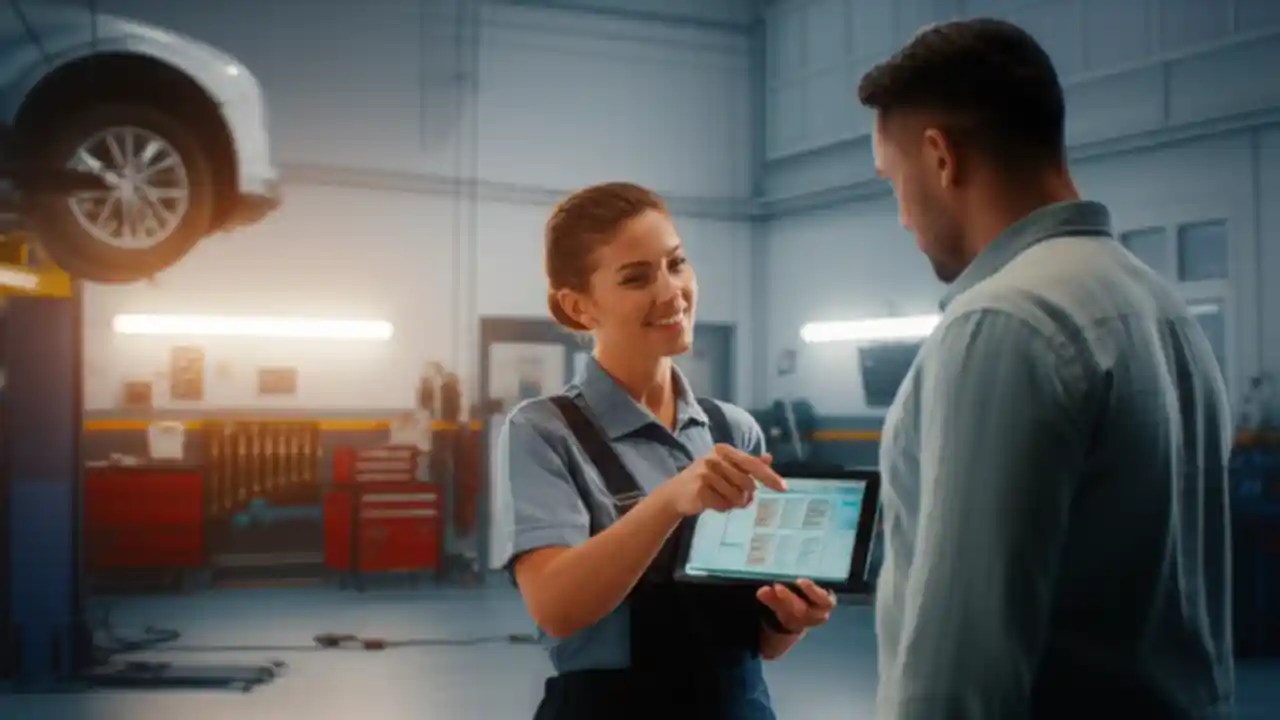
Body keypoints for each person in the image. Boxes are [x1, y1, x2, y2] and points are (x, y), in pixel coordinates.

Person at [856, 18, 1234, 719]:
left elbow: (959, 682)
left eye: (892, 180)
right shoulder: (1160, 308)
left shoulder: (1005, 324)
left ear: (940, 156)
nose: (902, 215)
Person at [499, 182, 836, 719]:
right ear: (578, 306)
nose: (672, 292)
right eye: (636, 278)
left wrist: (788, 619)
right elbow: (557, 608)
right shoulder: (544, 432)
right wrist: (671, 500)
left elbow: (759, 643)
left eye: (676, 264)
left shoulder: (733, 431)